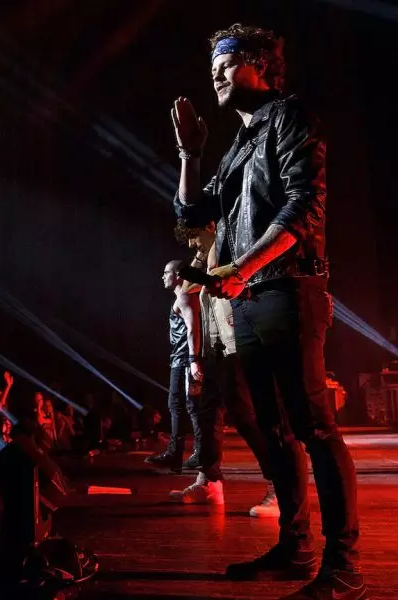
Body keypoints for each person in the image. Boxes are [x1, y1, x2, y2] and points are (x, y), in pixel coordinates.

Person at [171, 23, 362, 598]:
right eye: (212, 67)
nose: (216, 75)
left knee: (314, 426)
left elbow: (304, 208)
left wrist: (242, 269)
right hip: (248, 299)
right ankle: (295, 549)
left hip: (286, 291)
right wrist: (191, 152)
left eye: (225, 63)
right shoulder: (236, 144)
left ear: (260, 64)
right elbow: (190, 215)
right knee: (272, 431)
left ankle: (344, 567)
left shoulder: (290, 116)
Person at [175, 217, 279, 516]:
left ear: (209, 228)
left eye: (194, 238)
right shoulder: (205, 260)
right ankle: (209, 481)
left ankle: (278, 485)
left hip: (237, 346)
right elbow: (185, 288)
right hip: (215, 349)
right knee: (208, 416)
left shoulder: (232, 249)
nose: (191, 245)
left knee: (245, 417)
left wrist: (208, 247)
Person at [145, 260, 207, 482]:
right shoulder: (183, 296)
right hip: (180, 359)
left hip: (183, 360)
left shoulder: (184, 297)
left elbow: (193, 328)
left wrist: (193, 360)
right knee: (187, 406)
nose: (162, 276)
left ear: (178, 275)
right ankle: (193, 453)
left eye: (166, 272)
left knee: (180, 405)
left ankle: (178, 453)